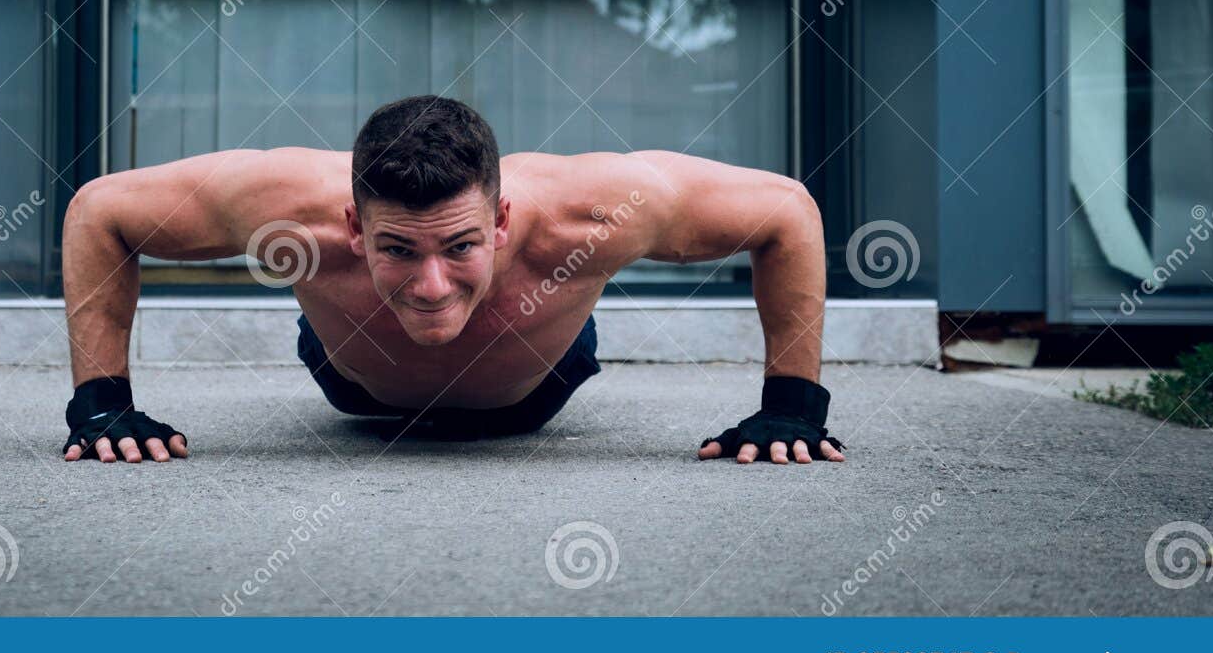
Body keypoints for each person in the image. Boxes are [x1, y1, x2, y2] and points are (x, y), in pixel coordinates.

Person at [60, 95, 845, 465]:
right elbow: (100, 213)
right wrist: (102, 406)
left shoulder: (593, 213)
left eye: (462, 246)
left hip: (534, 377)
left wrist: (792, 410)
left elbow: (788, 212)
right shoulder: (280, 205)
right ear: (352, 224)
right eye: (397, 249)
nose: (432, 285)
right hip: (355, 377)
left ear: (502, 220)